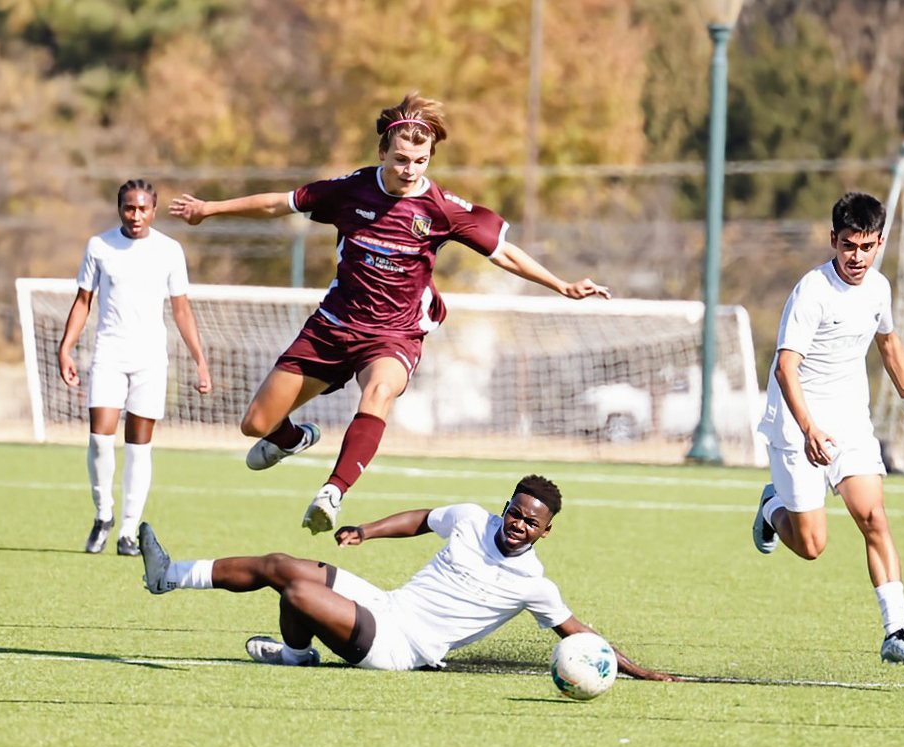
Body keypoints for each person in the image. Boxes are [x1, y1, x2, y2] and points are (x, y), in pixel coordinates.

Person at [168, 92, 611, 535]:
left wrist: (561, 285)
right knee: (256, 424)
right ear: (382, 152)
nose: (410, 169)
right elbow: (279, 203)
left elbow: (503, 252)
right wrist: (209, 209)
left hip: (394, 335)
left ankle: (333, 492)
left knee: (378, 391)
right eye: (401, 159)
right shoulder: (350, 191)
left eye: (420, 161)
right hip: (333, 326)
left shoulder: (442, 209)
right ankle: (294, 438)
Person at [139, 474, 677, 681]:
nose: (518, 525)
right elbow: (422, 519)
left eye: (530, 523)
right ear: (506, 507)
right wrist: (366, 531)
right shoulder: (471, 518)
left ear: (545, 531)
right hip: (386, 605)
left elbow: (581, 635)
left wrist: (638, 671)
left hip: (400, 647)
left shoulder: (535, 585)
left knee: (298, 592)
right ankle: (170, 575)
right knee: (281, 564)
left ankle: (296, 655)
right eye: (515, 513)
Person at [752, 191, 904, 665]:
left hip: (850, 422)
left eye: (866, 247)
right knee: (812, 546)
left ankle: (895, 632)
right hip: (797, 423)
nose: (856, 257)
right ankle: (772, 506)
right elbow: (785, 368)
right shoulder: (813, 291)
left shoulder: (878, 288)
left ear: (879, 243)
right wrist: (809, 430)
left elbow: (888, 341)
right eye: (848, 246)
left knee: (873, 516)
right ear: (833, 240)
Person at [58, 179, 212, 556]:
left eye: (143, 208)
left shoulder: (169, 251)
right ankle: (103, 514)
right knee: (100, 438)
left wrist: (200, 359)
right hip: (109, 354)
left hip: (150, 360)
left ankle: (128, 529)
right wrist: (66, 348)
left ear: (154, 211)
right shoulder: (99, 246)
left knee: (139, 446)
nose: (136, 215)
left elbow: (181, 310)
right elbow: (83, 302)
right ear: (120, 209)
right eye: (130, 208)